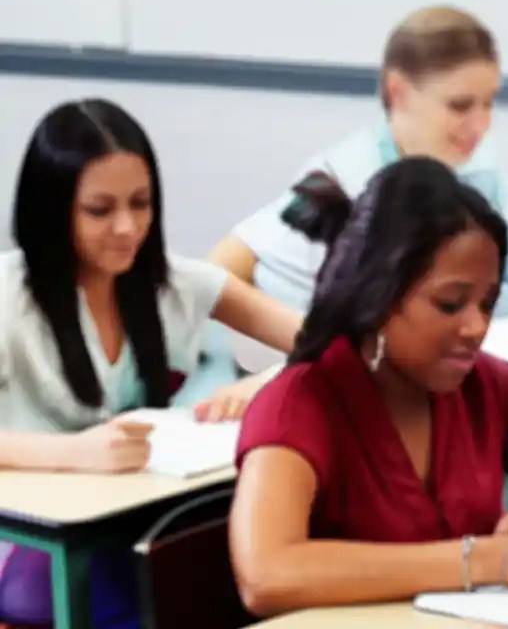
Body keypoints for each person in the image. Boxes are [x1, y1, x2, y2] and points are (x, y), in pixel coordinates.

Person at [230, 157, 508, 616]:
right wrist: (492, 560)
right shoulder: (300, 404)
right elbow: (266, 574)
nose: (477, 327)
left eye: (488, 304)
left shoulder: (480, 385)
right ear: (378, 294)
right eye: (450, 304)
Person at [0, 99, 301, 628]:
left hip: (143, 526)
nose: (127, 227)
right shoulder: (9, 297)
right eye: (100, 210)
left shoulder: (170, 280)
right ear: (52, 210)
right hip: (44, 549)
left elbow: (325, 341)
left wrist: (263, 386)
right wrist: (73, 453)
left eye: (141, 204)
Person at [209, 5, 508, 311]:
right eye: (460, 106)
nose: (481, 125)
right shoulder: (338, 180)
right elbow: (220, 269)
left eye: (489, 103)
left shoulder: (477, 170)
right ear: (398, 92)